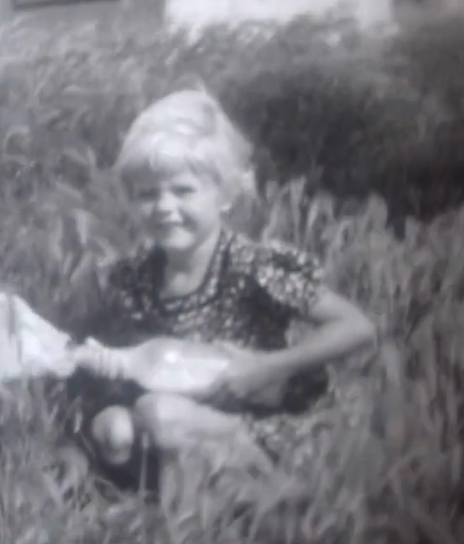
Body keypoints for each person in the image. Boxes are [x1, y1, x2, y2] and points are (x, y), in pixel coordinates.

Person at [63, 85, 378, 504]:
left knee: (160, 413)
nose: (164, 207)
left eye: (183, 191)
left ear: (225, 196)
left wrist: (269, 367)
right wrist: (105, 368)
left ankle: (246, 507)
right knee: (115, 427)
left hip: (259, 424)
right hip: (176, 419)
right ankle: (170, 507)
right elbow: (138, 361)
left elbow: (357, 327)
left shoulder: (252, 265)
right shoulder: (133, 277)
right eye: (148, 194)